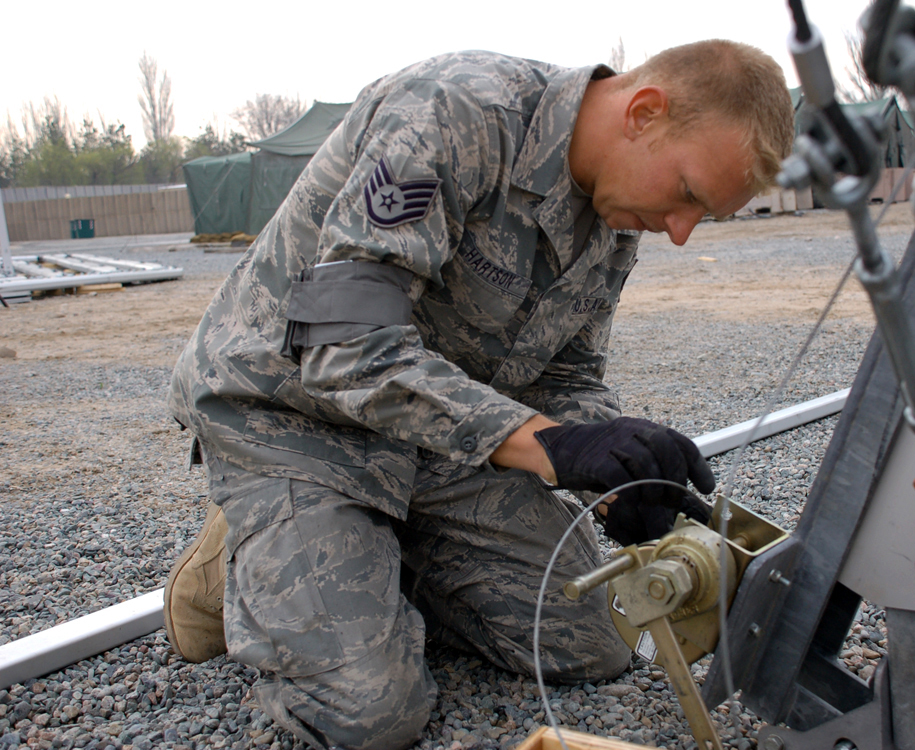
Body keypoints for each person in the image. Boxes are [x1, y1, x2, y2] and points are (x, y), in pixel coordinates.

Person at [164, 40, 793, 750]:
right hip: (299, 421)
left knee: (597, 640)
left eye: (703, 217)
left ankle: (365, 550)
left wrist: (615, 465)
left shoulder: (615, 214)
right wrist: (552, 445)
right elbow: (344, 349)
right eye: (688, 196)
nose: (681, 232)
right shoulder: (452, 113)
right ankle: (238, 553)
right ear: (643, 114)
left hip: (437, 443)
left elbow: (568, 377)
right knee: (368, 713)